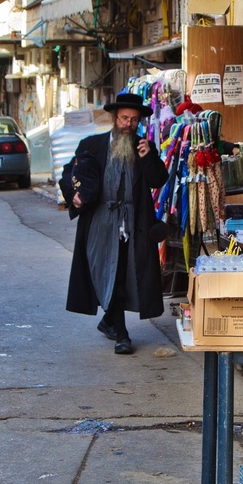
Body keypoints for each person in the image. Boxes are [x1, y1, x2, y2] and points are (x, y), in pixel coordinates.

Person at [65, 92, 170, 354]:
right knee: (106, 271)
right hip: (100, 222)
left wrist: (148, 158)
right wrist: (74, 195)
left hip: (133, 224)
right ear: (114, 118)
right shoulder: (92, 145)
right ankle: (111, 321)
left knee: (123, 272)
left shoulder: (144, 147)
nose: (129, 124)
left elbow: (158, 180)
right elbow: (71, 173)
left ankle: (120, 331)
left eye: (134, 120)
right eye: (124, 118)